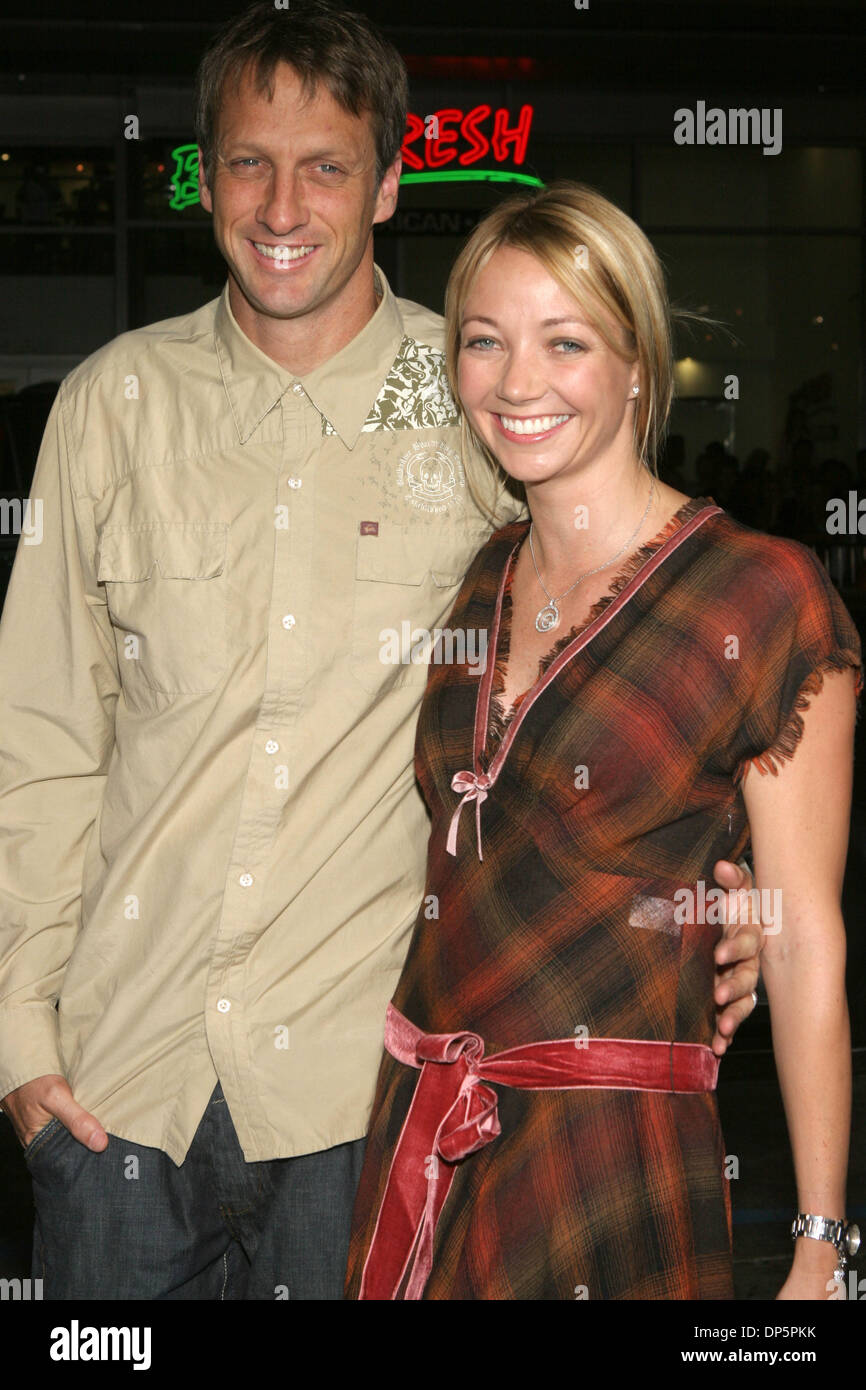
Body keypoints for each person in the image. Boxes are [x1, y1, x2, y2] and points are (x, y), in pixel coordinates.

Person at [0, 4, 760, 1302]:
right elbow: (45, 741)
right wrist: (21, 1050)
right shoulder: (113, 406)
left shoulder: (464, 390)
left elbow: (633, 616)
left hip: (366, 1098)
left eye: (326, 164)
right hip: (122, 1092)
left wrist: (715, 860)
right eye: (249, 160)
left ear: (389, 182)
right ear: (205, 177)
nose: (282, 200)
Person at [344, 181, 862, 1302]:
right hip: (429, 1131)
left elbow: (799, 935)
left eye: (563, 342)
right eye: (483, 341)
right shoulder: (482, 575)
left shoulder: (761, 594)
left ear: (638, 365)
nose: (516, 382)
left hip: (610, 1155)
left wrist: (820, 1242)